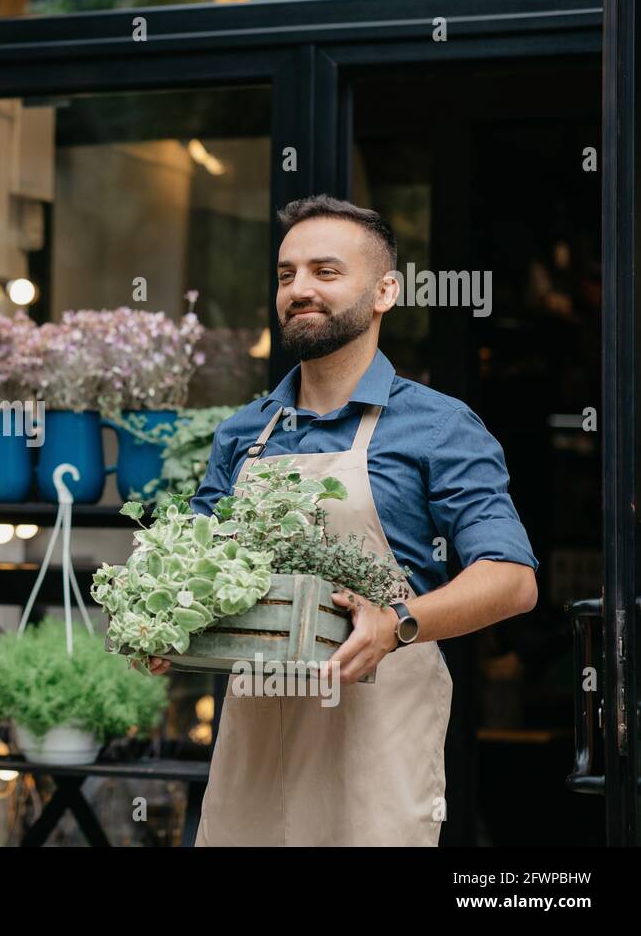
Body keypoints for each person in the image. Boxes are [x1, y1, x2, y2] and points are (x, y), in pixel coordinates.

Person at [158, 195, 539, 846]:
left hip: (373, 756)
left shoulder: (438, 426)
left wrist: (398, 623)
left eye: (325, 271)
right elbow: (193, 565)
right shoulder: (244, 433)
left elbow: (512, 579)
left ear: (385, 290)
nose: (299, 289)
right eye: (286, 275)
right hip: (257, 751)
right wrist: (167, 621)